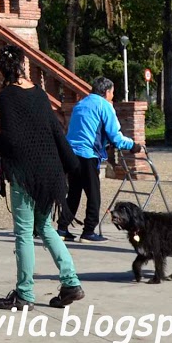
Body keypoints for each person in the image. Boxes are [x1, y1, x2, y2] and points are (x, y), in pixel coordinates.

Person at [0, 46, 83, 310]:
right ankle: (71, 282)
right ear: (23, 65)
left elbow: (11, 139)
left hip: (25, 175)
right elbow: (56, 131)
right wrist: (72, 164)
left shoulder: (7, 96)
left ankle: (25, 294)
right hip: (50, 174)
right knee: (46, 227)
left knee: (24, 233)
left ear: (2, 69)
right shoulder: (38, 93)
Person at [60, 77, 139, 242]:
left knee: (74, 192)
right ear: (106, 92)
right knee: (94, 195)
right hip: (89, 154)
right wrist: (133, 145)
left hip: (71, 153)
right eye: (112, 92)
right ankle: (88, 231)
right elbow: (115, 136)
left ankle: (62, 228)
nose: (113, 96)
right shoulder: (105, 106)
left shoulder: (80, 104)